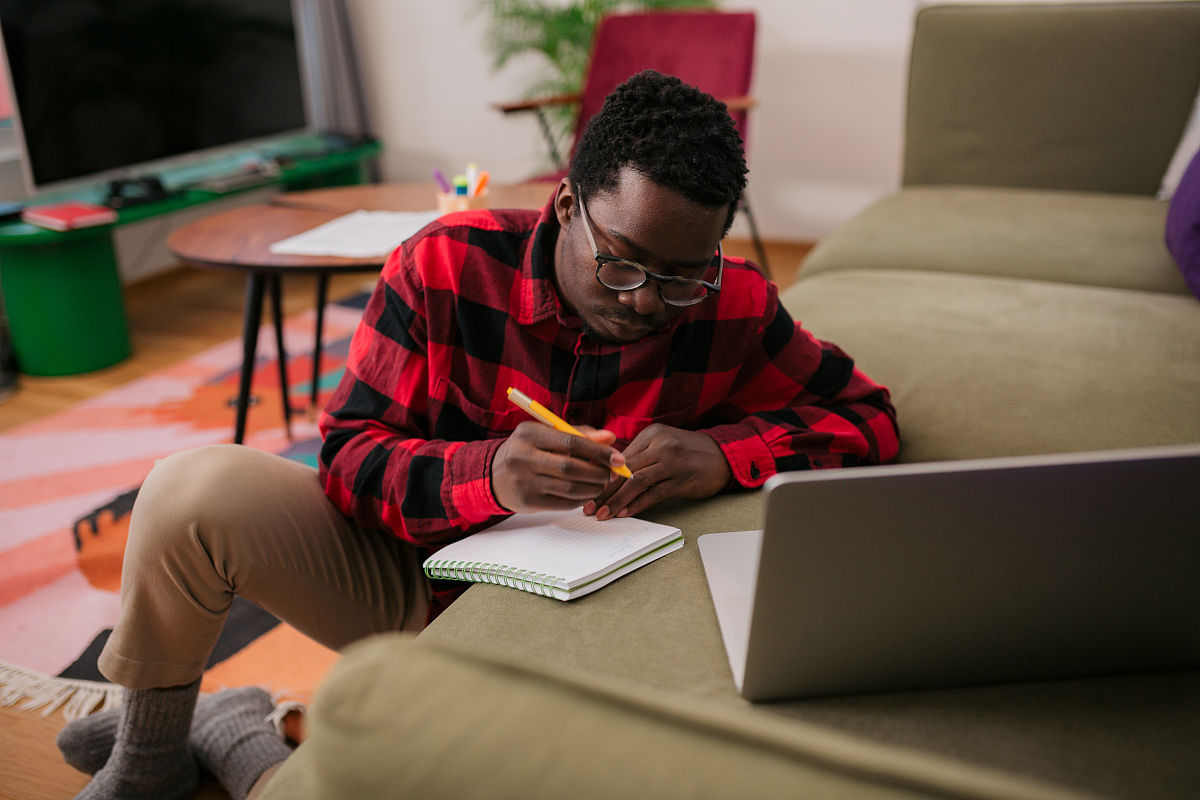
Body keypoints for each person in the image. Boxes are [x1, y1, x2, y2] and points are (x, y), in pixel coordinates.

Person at [57, 70, 899, 799]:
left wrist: (722, 454)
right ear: (567, 205)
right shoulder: (444, 267)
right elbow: (349, 456)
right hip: (417, 587)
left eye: (683, 277)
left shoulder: (734, 303)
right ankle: (154, 752)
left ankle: (238, 731)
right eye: (625, 261)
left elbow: (866, 417)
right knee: (189, 491)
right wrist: (485, 475)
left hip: (589, 640)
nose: (647, 300)